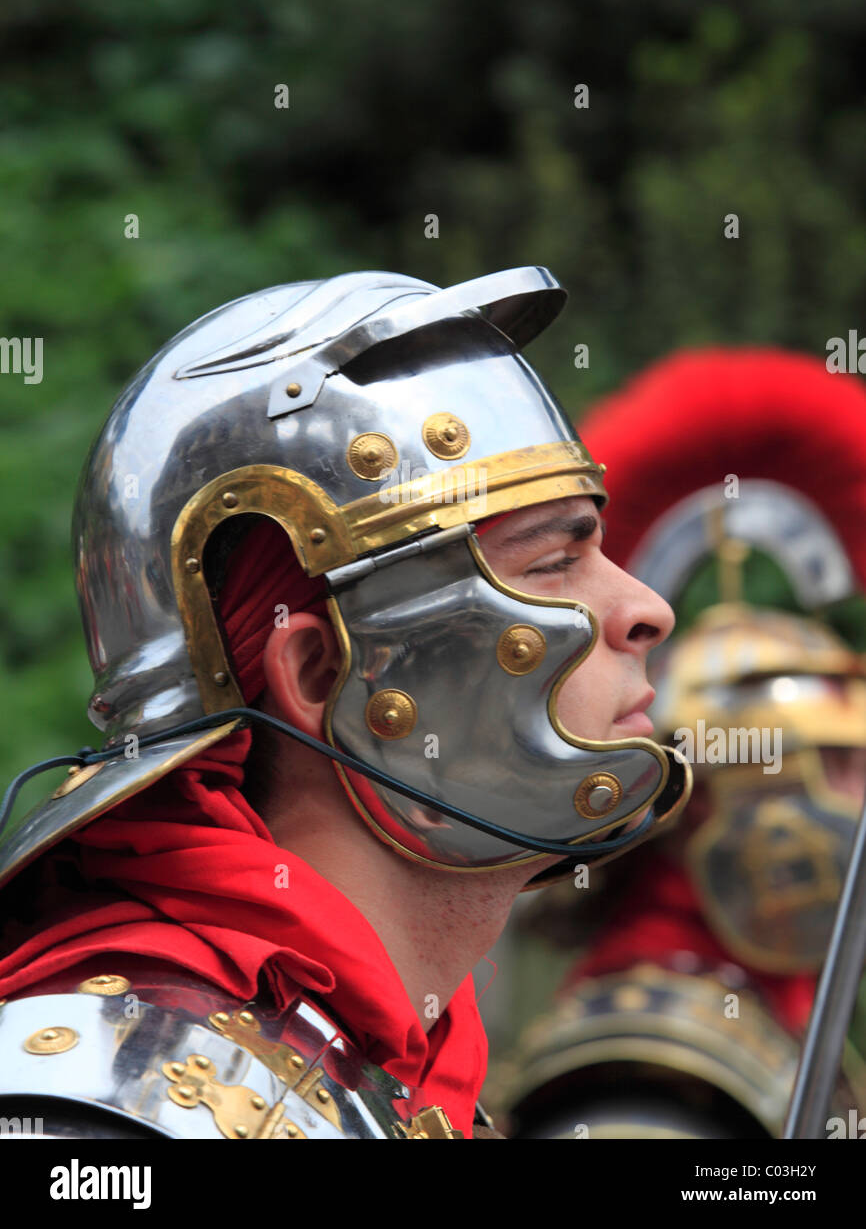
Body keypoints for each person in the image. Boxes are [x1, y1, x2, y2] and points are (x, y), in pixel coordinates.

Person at [0, 267, 690, 1140]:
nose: (647, 609)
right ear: (323, 671)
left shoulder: (402, 1080)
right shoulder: (118, 1101)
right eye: (554, 564)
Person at [501, 347, 866, 1139]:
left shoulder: (762, 1018)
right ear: (735, 796)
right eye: (839, 765)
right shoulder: (649, 1079)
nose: (860, 798)